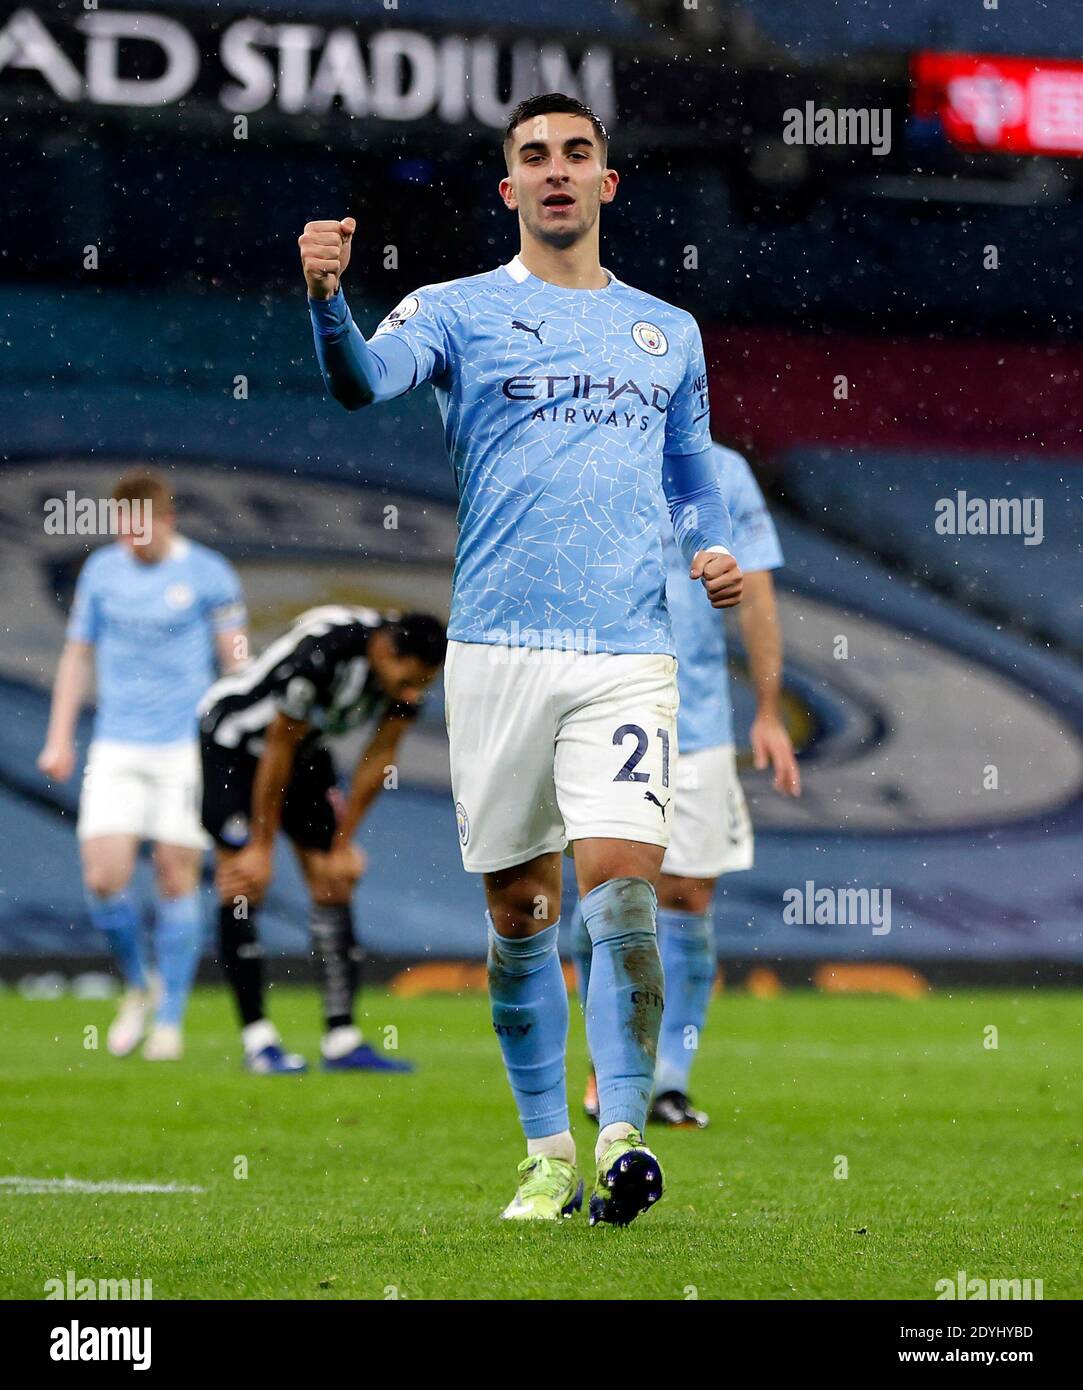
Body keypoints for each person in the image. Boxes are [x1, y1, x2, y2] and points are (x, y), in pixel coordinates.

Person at [299, 93, 743, 1224]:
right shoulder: (453, 310)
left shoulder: (667, 331)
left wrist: (711, 548)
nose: (556, 171)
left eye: (577, 154)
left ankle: (628, 1135)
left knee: (625, 893)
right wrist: (323, 301)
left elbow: (691, 477)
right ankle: (548, 1149)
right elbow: (359, 384)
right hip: (496, 650)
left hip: (627, 652)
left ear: (608, 183)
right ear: (508, 189)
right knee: (518, 916)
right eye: (533, 157)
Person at [570, 442, 801, 1128]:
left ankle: (667, 1079)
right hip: (597, 705)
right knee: (604, 888)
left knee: (687, 893)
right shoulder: (587, 455)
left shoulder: (721, 472)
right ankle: (609, 1067)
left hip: (694, 718)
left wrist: (766, 710)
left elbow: (754, 593)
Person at [37, 468, 247, 1060]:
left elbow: (236, 667)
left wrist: (237, 745)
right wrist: (59, 738)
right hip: (117, 745)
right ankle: (138, 983)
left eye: (140, 531)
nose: (130, 542)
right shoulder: (102, 573)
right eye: (122, 531)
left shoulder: (209, 573)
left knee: (176, 874)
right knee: (104, 878)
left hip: (185, 749)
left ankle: (171, 1021)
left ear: (166, 520)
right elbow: (78, 656)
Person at [199, 605, 446, 1074]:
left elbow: (381, 754)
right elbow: (277, 745)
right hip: (235, 744)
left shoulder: (406, 670)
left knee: (333, 880)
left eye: (423, 684)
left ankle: (341, 1038)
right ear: (385, 652)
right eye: (409, 680)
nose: (413, 693)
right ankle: (259, 1041)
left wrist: (341, 843)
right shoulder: (323, 655)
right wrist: (261, 846)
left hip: (306, 749)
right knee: (244, 881)